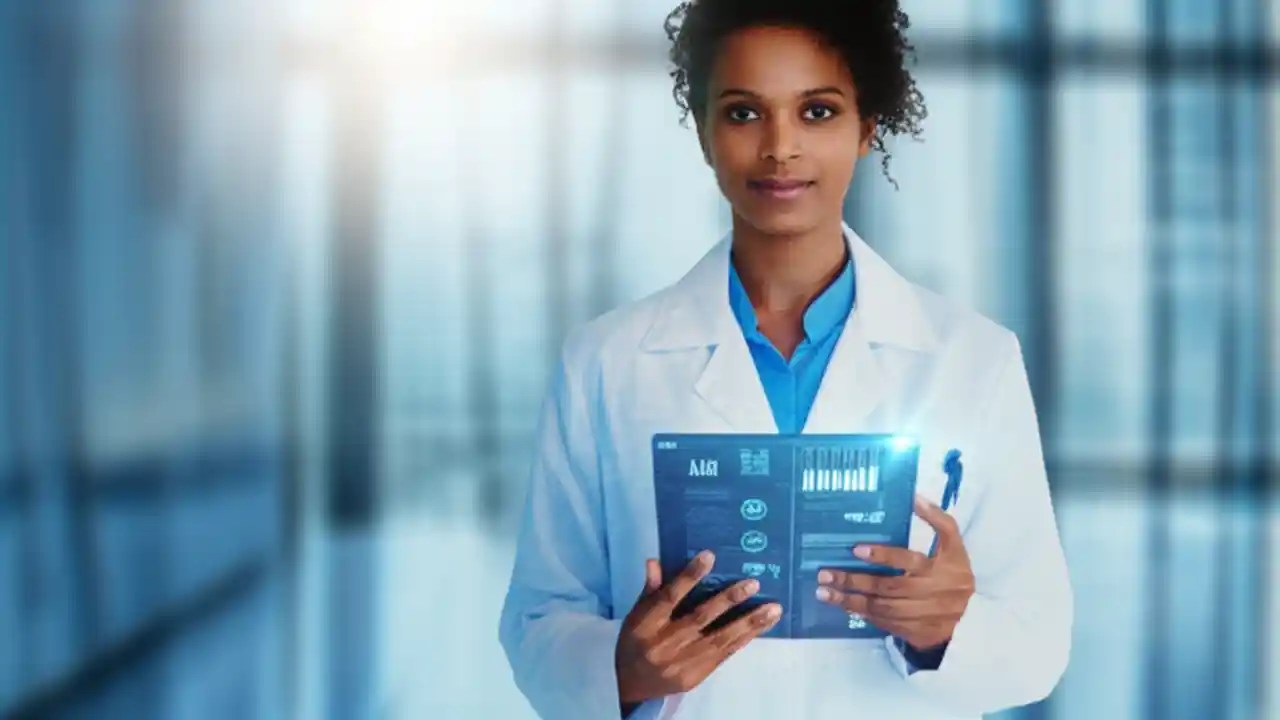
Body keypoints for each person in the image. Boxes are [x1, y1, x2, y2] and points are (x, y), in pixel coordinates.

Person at [498, 1, 1073, 718]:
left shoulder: (973, 359)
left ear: (868, 126)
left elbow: (1038, 640)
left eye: (818, 112)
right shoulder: (607, 363)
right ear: (705, 134)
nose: (779, 148)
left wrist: (944, 631)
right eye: (743, 114)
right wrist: (622, 667)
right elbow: (538, 619)